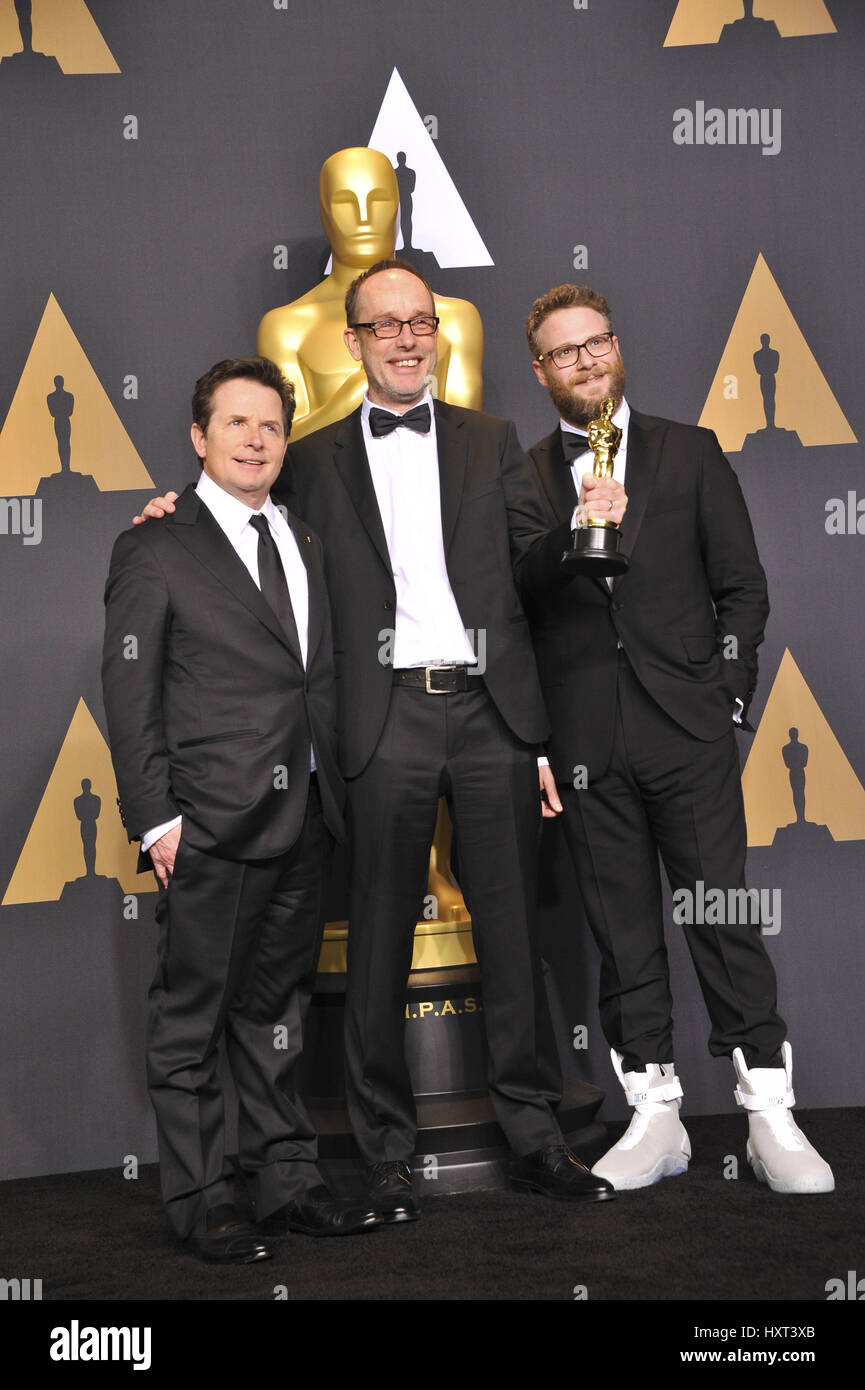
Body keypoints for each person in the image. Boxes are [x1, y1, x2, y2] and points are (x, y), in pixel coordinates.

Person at [136, 264, 617, 1218]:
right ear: (351, 342)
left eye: (418, 322)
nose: (405, 338)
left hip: (491, 716)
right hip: (376, 719)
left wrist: (578, 531)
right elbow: (238, 524)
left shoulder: (494, 440)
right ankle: (386, 1152)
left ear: (435, 334)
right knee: (376, 947)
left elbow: (529, 573)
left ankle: (533, 1135)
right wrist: (168, 510)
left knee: (514, 941)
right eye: (382, 325)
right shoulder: (305, 459)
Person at [517, 283, 834, 1195]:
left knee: (720, 917)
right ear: (539, 370)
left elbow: (743, 586)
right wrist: (579, 530)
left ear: (616, 348)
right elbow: (514, 602)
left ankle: (768, 1114)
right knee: (621, 934)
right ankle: (653, 1118)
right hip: (583, 740)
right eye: (564, 350)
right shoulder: (524, 475)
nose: (585, 360)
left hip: (686, 729)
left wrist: (727, 698)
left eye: (597, 342)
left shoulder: (690, 452)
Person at [103, 356, 376, 1262]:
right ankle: (202, 1200)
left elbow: (316, 678)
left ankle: (286, 1184)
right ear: (198, 437)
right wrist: (156, 819)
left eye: (270, 426)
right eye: (235, 424)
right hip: (208, 824)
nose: (255, 439)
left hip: (303, 819)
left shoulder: (302, 539)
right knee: (192, 1021)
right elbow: (130, 691)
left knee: (277, 1012)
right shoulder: (153, 544)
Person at [257, 147, 483, 439]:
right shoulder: (287, 329)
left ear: (399, 207)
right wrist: (360, 393)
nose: (364, 218)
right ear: (324, 212)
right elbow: (286, 448)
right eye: (344, 202)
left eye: (378, 200)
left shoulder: (455, 321)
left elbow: (471, 442)